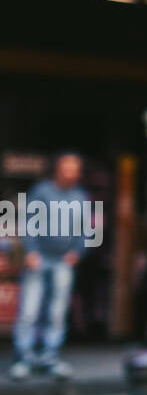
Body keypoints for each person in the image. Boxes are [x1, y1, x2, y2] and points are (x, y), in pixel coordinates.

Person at [9, 151, 91, 380]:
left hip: (63, 260)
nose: (71, 173)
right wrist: (31, 251)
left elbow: (85, 229)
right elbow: (30, 222)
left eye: (75, 169)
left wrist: (77, 252)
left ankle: (49, 356)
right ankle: (24, 357)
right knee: (30, 310)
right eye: (67, 168)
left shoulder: (80, 196)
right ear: (58, 169)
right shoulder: (42, 191)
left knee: (57, 311)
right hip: (40, 257)